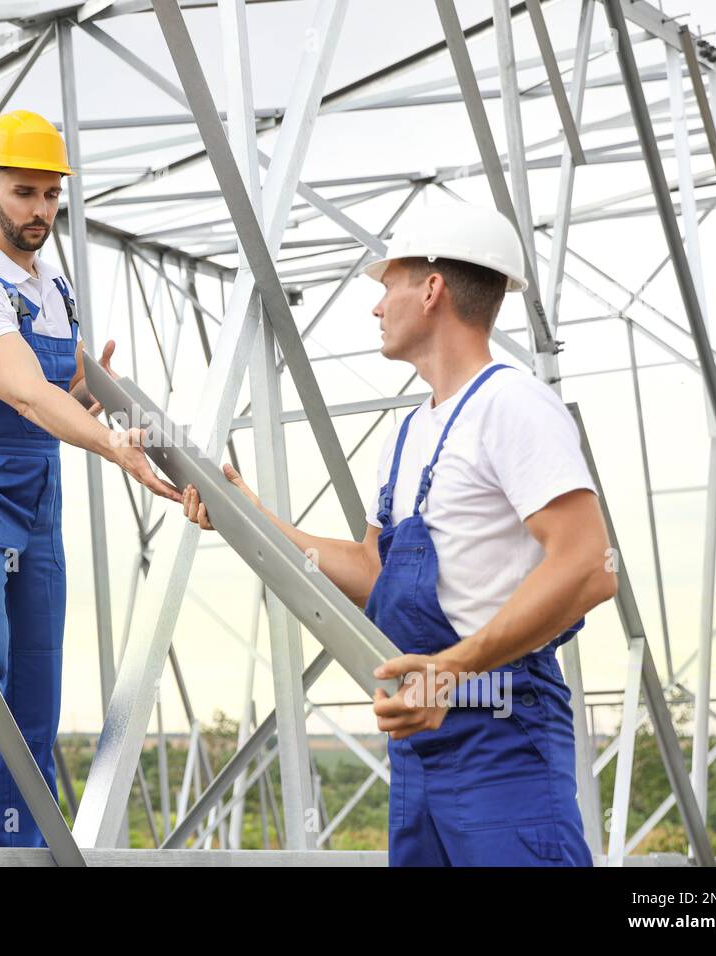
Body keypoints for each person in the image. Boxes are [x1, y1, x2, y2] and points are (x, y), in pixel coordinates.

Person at [179, 203, 617, 866]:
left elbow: (590, 567)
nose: (377, 307)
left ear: (433, 289)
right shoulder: (410, 432)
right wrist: (250, 516)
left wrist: (450, 671)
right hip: (420, 740)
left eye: (389, 286)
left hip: (502, 730)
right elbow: (374, 573)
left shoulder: (513, 405)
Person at [0, 109, 181, 848]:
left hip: (38, 496)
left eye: (52, 195)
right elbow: (26, 392)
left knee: (32, 684)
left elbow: (62, 392)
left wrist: (95, 395)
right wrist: (111, 444)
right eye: (25, 194)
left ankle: (17, 849)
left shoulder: (53, 285)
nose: (41, 212)